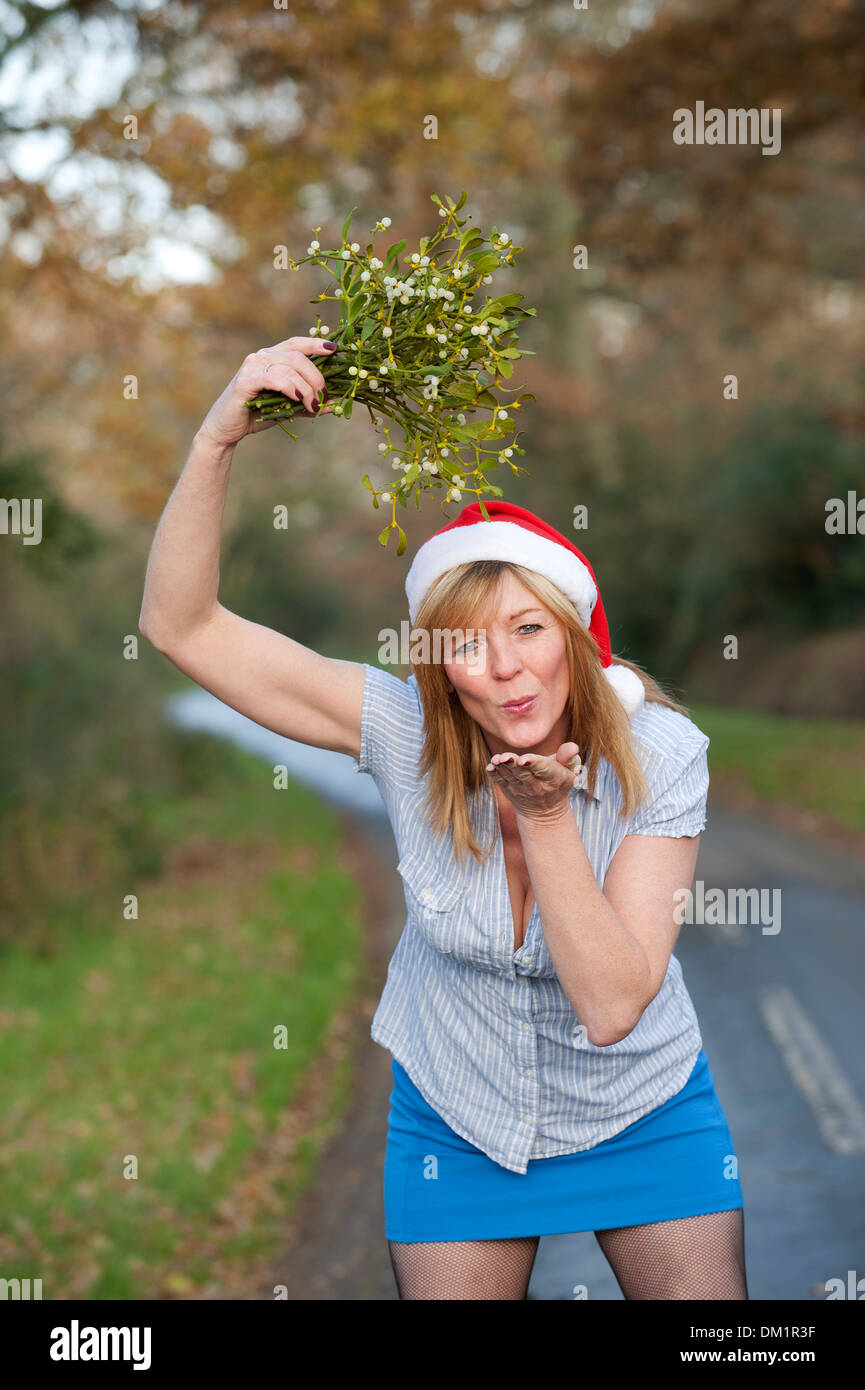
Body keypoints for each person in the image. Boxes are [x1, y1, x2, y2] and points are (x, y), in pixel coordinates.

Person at [139, 334, 748, 1302]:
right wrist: (217, 438)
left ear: (573, 638)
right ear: (438, 663)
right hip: (455, 1115)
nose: (504, 666)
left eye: (528, 629)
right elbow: (183, 626)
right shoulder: (400, 730)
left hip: (641, 1108)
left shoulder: (660, 755)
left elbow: (612, 1005)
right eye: (469, 642)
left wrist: (546, 820)